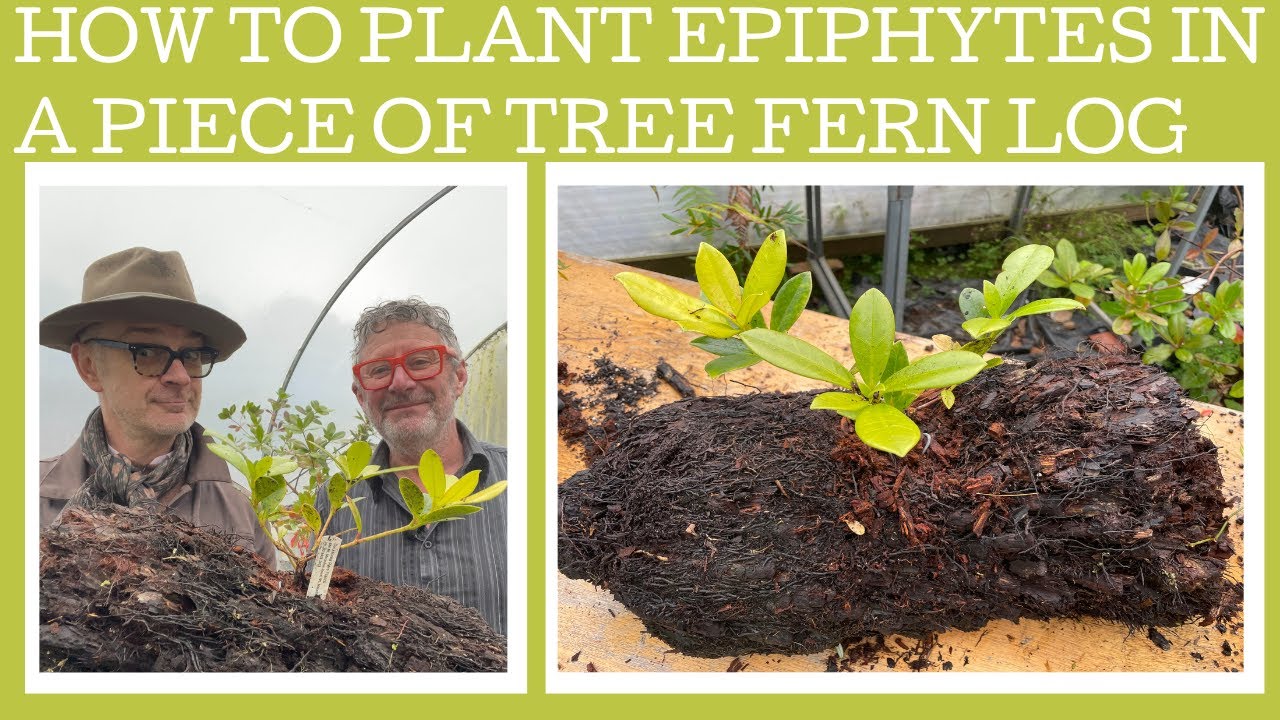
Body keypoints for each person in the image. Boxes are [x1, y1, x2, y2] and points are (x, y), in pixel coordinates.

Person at [39, 247, 275, 561]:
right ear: (89, 366)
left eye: (191, 354)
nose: (179, 376)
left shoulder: (242, 511)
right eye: (147, 351)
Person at [323, 298, 508, 635]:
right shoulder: (333, 501)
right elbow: (317, 608)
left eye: (421, 362)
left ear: (459, 378)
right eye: (379, 370)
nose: (401, 383)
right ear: (360, 395)